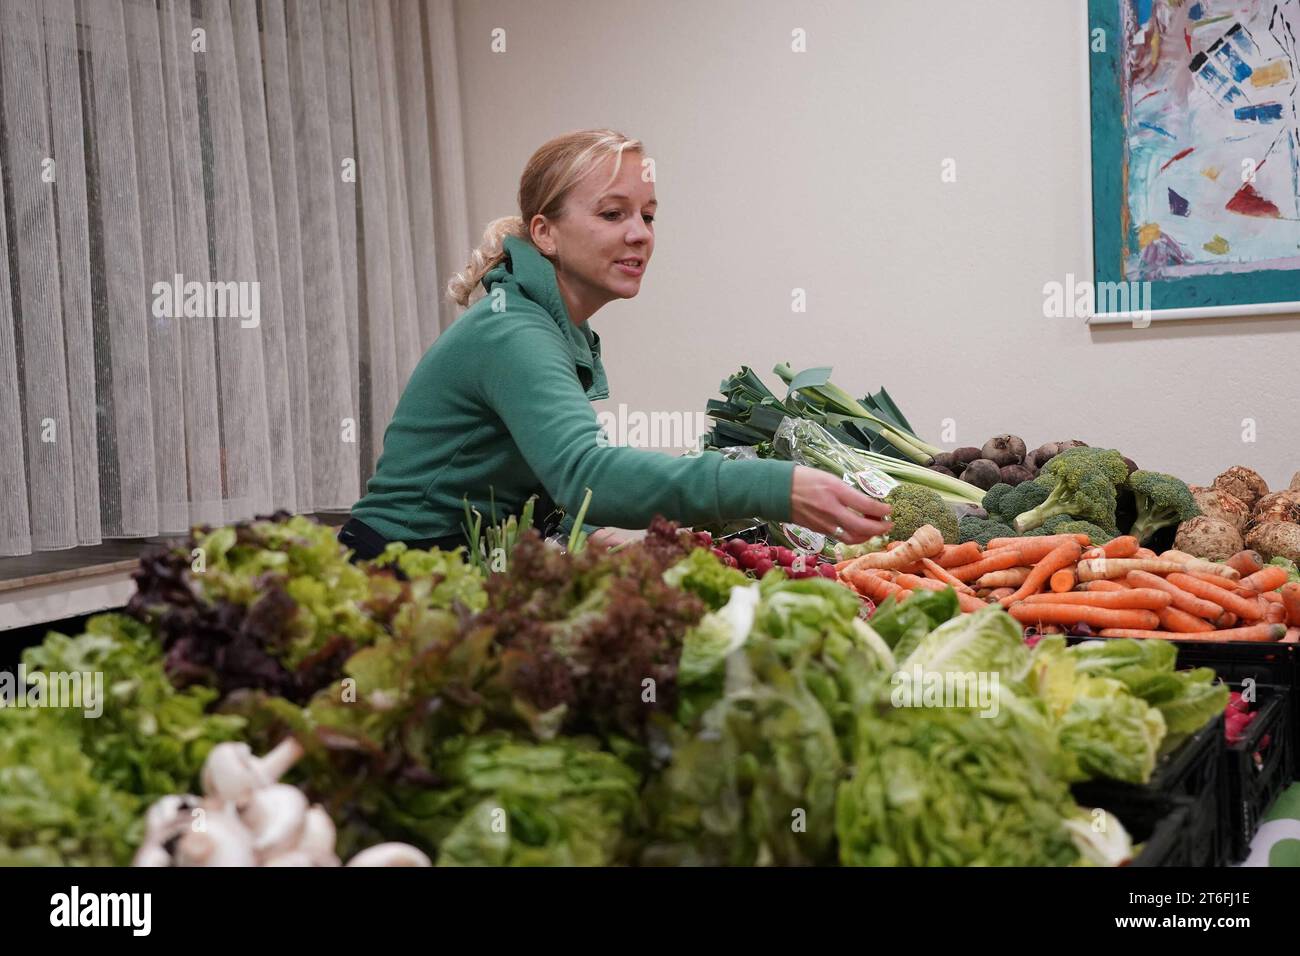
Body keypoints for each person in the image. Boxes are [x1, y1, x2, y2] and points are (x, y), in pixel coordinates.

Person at [339, 129, 891, 561]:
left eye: (647, 215)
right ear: (544, 232)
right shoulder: (514, 332)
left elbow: (527, 475)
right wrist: (775, 485)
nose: (640, 233)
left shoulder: (549, 324)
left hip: (455, 565)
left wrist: (574, 533)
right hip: (400, 570)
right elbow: (586, 474)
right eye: (612, 213)